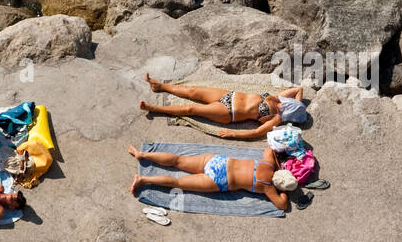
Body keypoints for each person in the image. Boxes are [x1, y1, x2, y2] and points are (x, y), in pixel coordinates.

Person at [127, 144, 295, 210]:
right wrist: (282, 192)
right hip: (221, 180)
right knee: (177, 182)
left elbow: (269, 150)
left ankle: (141, 154)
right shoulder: (267, 187)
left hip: (219, 162)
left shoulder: (268, 164)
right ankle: (143, 179)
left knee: (178, 161)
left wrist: (279, 166)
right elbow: (282, 204)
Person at [140, 74, 307, 139]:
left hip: (229, 112)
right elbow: (299, 89)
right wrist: (299, 105)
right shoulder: (279, 99)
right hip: (229, 95)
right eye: (288, 103)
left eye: (287, 106)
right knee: (192, 90)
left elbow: (257, 132)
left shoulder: (276, 118)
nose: (283, 104)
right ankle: (160, 86)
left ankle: (154, 108)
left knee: (190, 110)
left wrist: (233, 133)